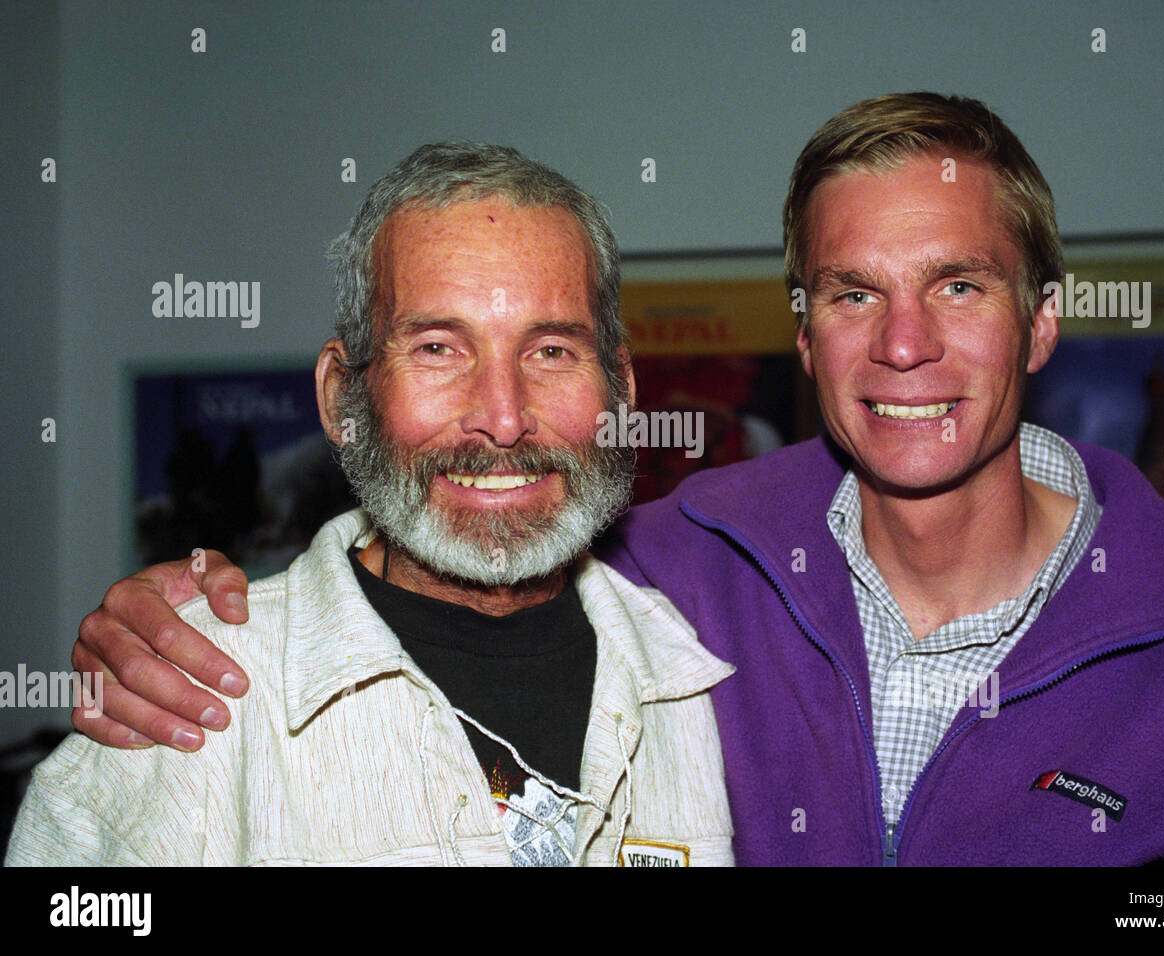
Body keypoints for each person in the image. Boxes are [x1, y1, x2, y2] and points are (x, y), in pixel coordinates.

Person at [63, 94, 1164, 866]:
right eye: (853, 292)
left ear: (1039, 323)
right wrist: (178, 610)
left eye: (958, 285)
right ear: (803, 336)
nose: (905, 344)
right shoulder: (684, 571)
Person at [6, 143, 735, 867]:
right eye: (437, 349)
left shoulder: (703, 684)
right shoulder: (191, 704)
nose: (504, 419)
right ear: (341, 397)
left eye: (550, 351)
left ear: (622, 391)